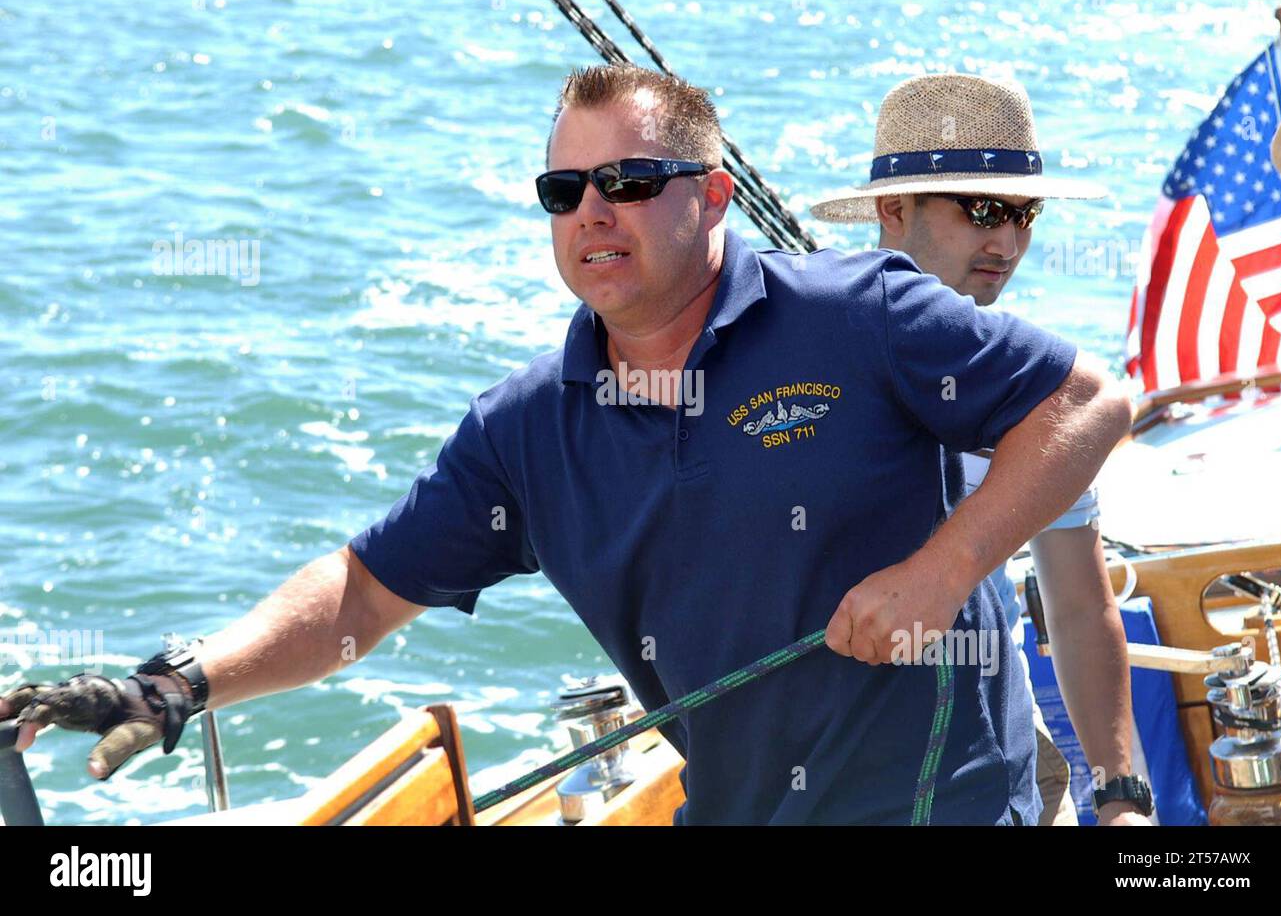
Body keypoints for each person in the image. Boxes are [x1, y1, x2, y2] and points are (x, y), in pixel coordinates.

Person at [0, 63, 1134, 825]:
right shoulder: (526, 430)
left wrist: (944, 570)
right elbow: (358, 596)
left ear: (714, 197)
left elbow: (1087, 402)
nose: (593, 210)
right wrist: (178, 683)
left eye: (631, 182)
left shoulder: (859, 312)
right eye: (564, 188)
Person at [811, 72, 1151, 825]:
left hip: (997, 782)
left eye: (1024, 214)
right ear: (893, 210)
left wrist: (1122, 796)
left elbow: (1078, 602)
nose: (1010, 241)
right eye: (984, 209)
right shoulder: (794, 366)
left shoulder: (1039, 396)